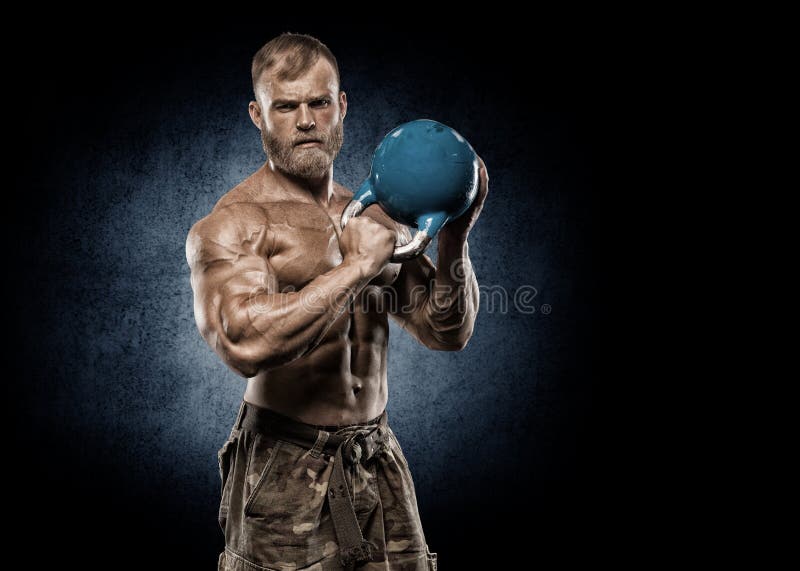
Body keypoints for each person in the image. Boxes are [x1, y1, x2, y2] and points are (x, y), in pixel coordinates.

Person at [186, 32, 488, 571]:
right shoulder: (238, 223)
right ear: (258, 114)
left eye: (319, 102)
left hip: (375, 455)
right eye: (286, 105)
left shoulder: (375, 214)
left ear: (341, 106)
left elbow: (447, 331)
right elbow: (243, 343)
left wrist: (455, 234)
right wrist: (356, 269)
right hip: (284, 460)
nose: (306, 120)